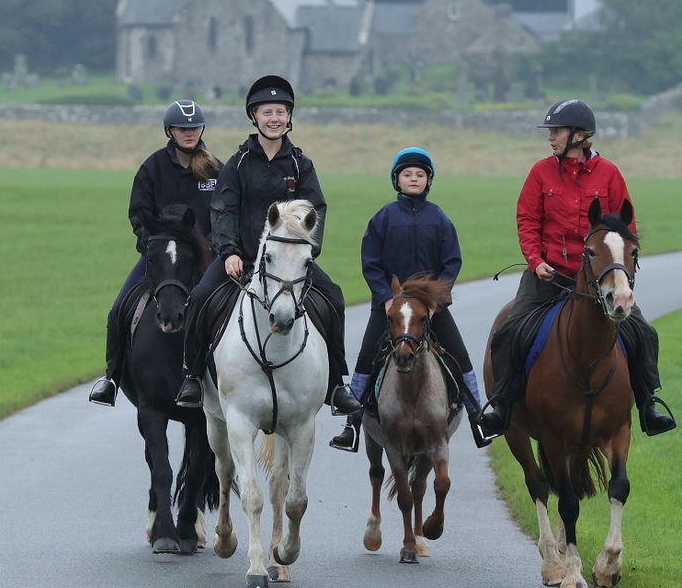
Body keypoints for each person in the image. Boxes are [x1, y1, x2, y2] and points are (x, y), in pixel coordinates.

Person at [475, 98, 677, 438]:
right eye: (550, 131)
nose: (550, 137)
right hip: (549, 274)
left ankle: (648, 405)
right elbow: (527, 220)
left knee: (643, 333)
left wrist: (617, 270)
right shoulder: (540, 172)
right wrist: (536, 262)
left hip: (599, 280)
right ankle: (502, 406)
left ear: (579, 135)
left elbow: (625, 227)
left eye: (556, 131)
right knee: (509, 331)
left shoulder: (609, 174)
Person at [173, 75, 361, 415]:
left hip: (288, 260)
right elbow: (222, 209)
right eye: (266, 112)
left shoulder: (301, 165)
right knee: (200, 297)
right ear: (254, 117)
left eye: (280, 111)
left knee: (333, 297)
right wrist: (228, 252)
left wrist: (306, 250)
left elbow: (316, 209)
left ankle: (335, 384)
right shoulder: (238, 164)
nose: (274, 118)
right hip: (242, 258)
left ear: (289, 117)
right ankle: (192, 376)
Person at [329, 147, 492, 452]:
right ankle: (351, 426)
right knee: (366, 358)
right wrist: (384, 298)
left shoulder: (440, 218)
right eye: (407, 174)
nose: (413, 179)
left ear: (428, 181)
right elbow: (371, 263)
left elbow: (452, 262)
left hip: (431, 307)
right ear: (397, 180)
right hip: (391, 306)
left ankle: (477, 419)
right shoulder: (383, 218)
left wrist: (436, 300)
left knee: (460, 357)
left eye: (420, 175)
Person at [89, 99, 219, 406]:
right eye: (182, 128)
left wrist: (213, 245)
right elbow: (138, 213)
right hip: (161, 259)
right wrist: (151, 245)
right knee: (119, 308)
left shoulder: (215, 170)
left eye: (194, 127)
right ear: (169, 131)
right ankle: (111, 377)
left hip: (203, 259)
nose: (189, 133)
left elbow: (225, 211)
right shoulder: (152, 168)